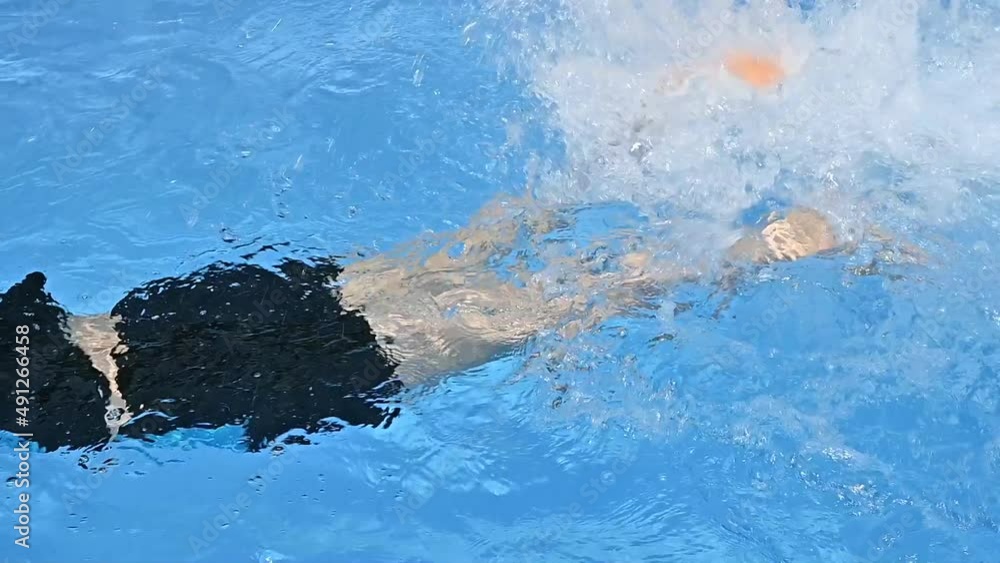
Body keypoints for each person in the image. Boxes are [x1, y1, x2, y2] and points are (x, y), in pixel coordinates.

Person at [0, 49, 845, 452]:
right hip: (207, 310)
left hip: (273, 370)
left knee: (559, 306)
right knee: (491, 237)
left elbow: (77, 421)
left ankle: (766, 245)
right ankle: (633, 136)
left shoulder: (37, 409)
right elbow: (39, 314)